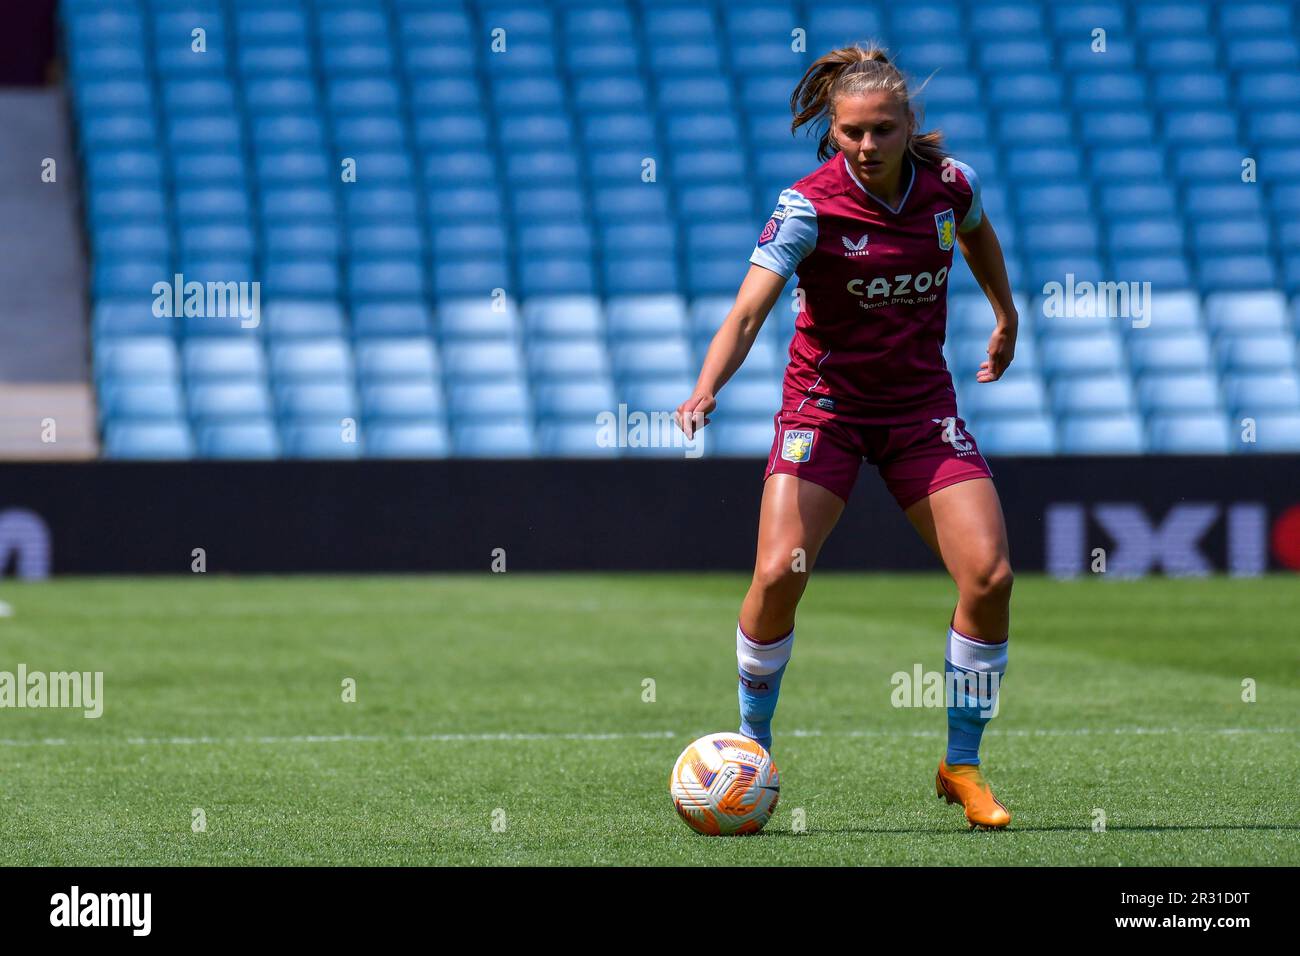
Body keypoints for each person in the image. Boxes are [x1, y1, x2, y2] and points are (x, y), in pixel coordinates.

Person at [674, 45, 1019, 829]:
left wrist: (1006, 313)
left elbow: (977, 235)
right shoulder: (807, 207)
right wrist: (706, 387)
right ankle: (751, 746)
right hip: (822, 413)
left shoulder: (950, 186)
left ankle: (961, 764)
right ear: (834, 130)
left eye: (883, 131)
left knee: (990, 577)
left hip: (919, 412)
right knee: (777, 573)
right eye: (852, 133)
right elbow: (749, 312)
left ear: (908, 127)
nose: (867, 147)